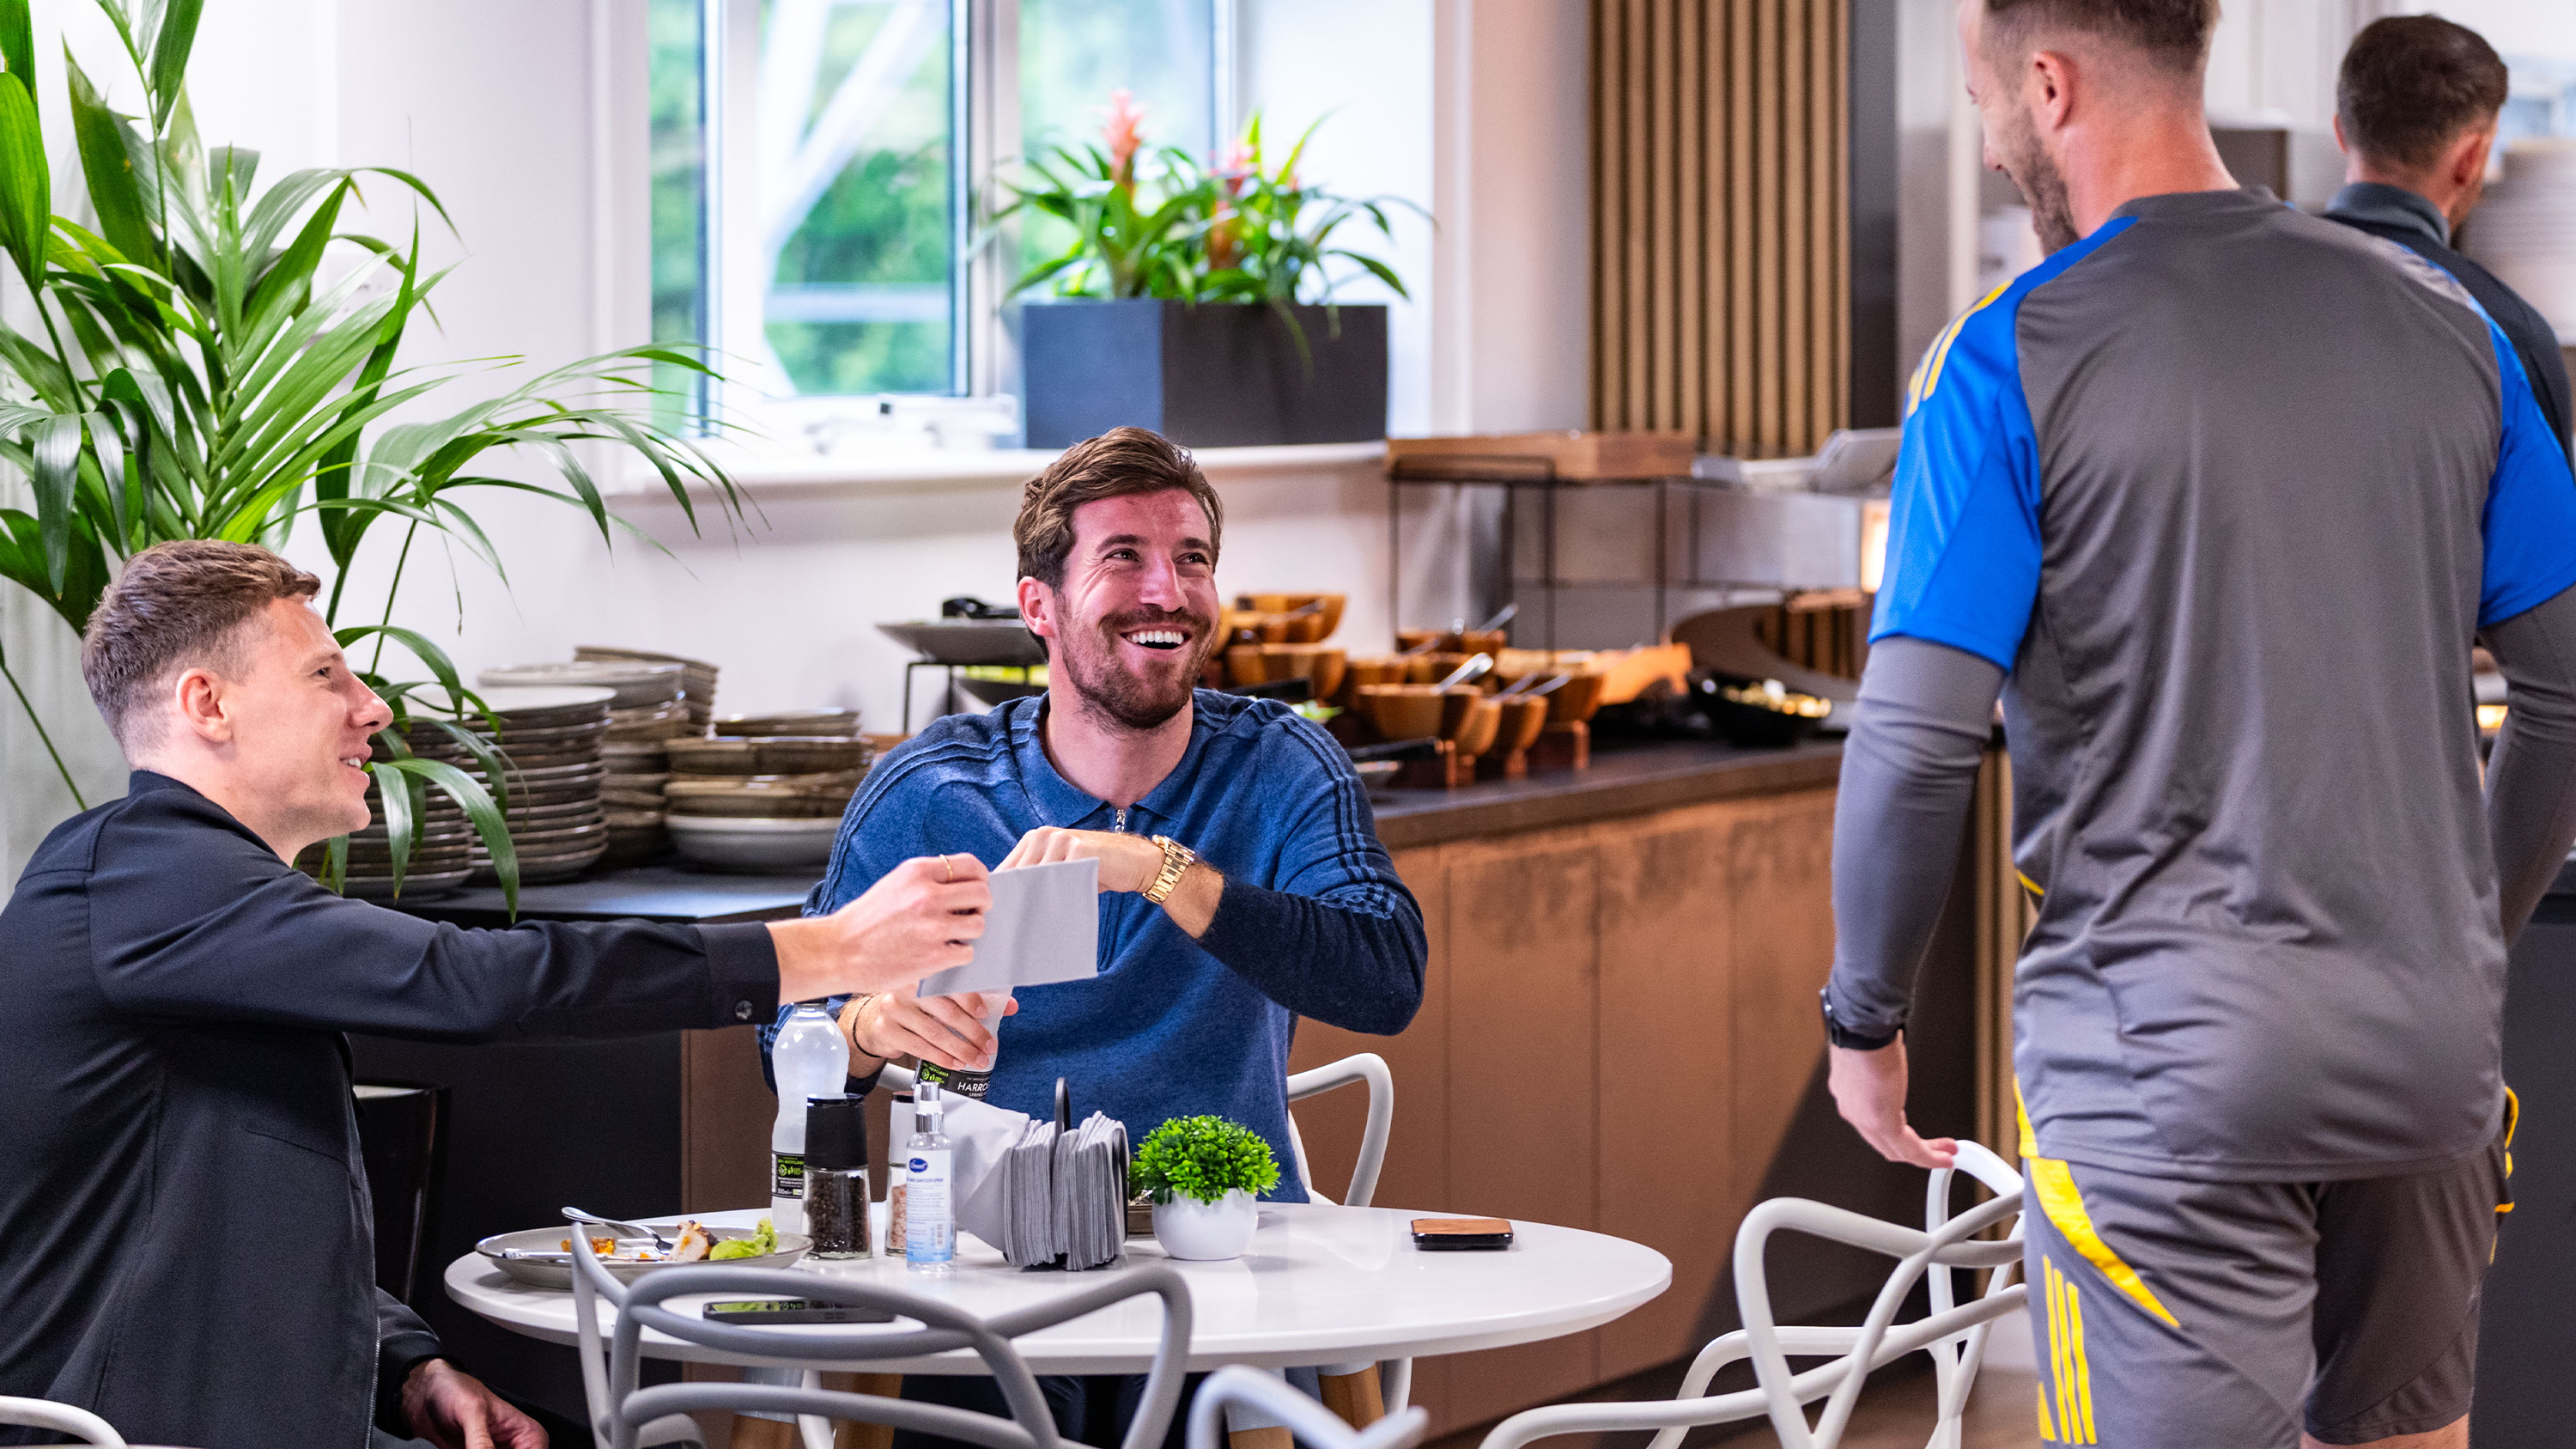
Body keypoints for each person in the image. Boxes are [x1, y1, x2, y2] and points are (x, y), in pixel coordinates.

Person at [1817, 1, 2576, 1446]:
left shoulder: (2005, 358)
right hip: (2427, 1055)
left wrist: (1866, 1014)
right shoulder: (2453, 328)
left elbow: (1914, 745)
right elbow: (2567, 689)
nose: (1990, 146)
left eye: (1984, 101)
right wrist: (2461, 936)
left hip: (2161, 1067)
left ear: (2048, 86)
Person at [0, 542, 990, 1449]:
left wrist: (405, 1367)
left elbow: (240, 1205)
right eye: (325, 675)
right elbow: (475, 981)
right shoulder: (144, 878)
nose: (372, 707)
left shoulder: (185, 901)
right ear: (208, 704)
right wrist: (832, 946)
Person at [790, 425, 1426, 1447]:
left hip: (1220, 1252)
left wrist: (1158, 868)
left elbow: (1384, 977)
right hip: (982, 1265)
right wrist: (867, 1026)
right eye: (1124, 557)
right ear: (1038, 605)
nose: (1167, 591)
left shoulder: (1281, 765)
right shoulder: (934, 789)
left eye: (1192, 559)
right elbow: (784, 1032)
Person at [2325, 15, 2573, 460]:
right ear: (2472, 157)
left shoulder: (2250, 289)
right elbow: (2541, 505)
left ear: (2342, 133)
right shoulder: (2508, 336)